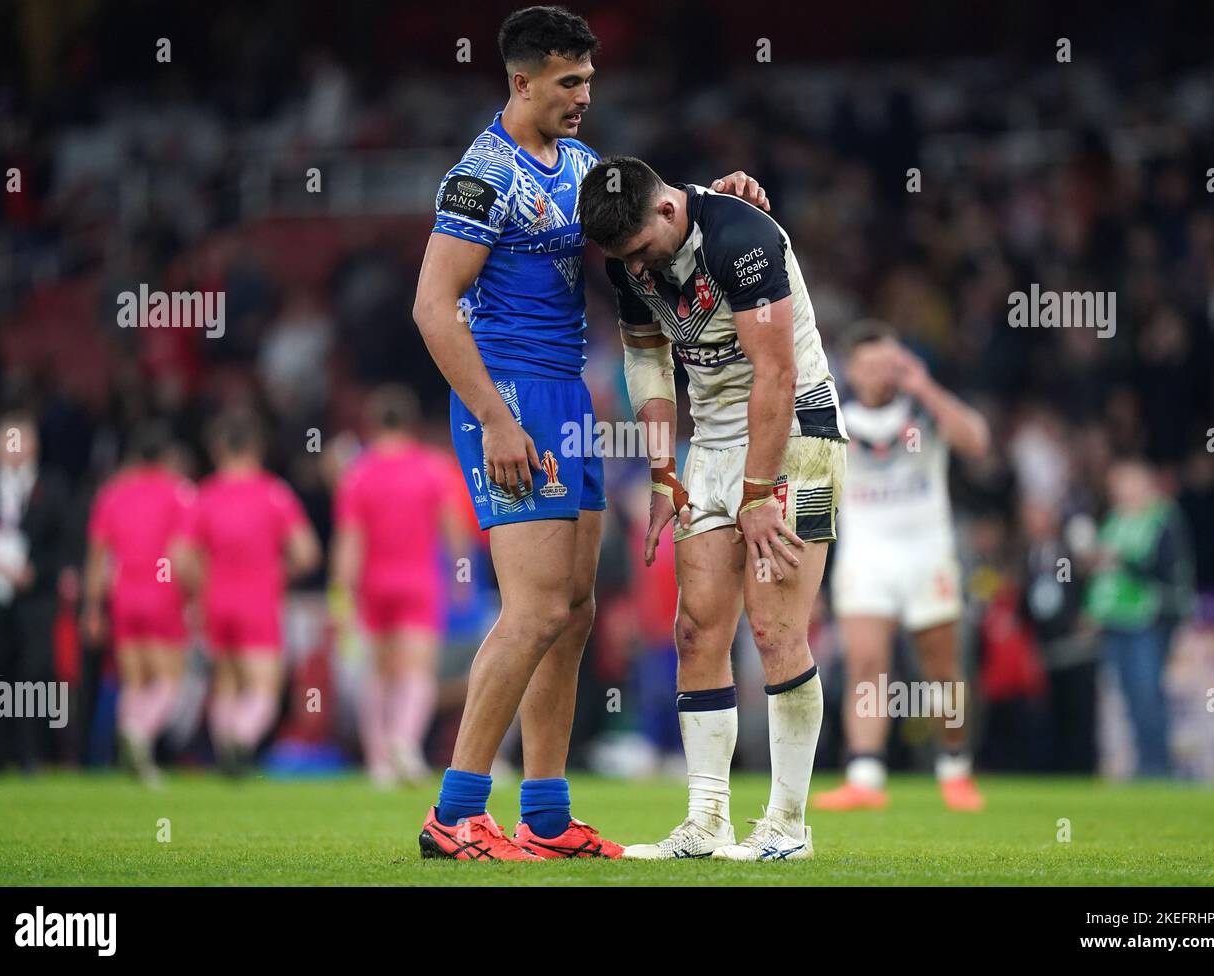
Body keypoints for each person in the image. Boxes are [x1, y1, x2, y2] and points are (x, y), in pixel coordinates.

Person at [411, 5, 767, 860]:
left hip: (569, 397)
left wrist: (719, 197)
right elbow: (431, 306)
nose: (583, 98)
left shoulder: (577, 164)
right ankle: (453, 814)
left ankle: (543, 816)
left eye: (589, 82)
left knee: (573, 611)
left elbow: (646, 215)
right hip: (510, 399)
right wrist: (496, 418)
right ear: (521, 80)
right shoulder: (479, 177)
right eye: (568, 83)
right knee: (532, 610)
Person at [580, 154, 847, 861]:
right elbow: (646, 360)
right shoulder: (629, 260)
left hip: (799, 437)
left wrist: (760, 494)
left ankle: (789, 826)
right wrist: (664, 470)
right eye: (621, 260)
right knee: (697, 630)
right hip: (714, 447)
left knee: (776, 631)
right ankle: (706, 823)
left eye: (640, 250)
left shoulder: (742, 237)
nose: (635, 270)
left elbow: (778, 372)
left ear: (667, 210)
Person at [813, 323, 991, 813]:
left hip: (927, 552)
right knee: (867, 665)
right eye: (867, 364)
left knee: (942, 670)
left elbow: (977, 442)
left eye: (887, 363)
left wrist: (925, 387)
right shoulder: (837, 419)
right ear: (852, 369)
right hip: (866, 554)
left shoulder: (924, 415)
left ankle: (955, 768)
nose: (877, 374)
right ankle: (865, 775)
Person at [331, 385, 467, 786]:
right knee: (417, 670)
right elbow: (454, 530)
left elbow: (349, 540)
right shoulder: (433, 467)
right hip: (418, 580)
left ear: (372, 423)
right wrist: (461, 576)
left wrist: (340, 595)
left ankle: (379, 763)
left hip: (373, 582)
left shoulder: (358, 472)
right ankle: (405, 742)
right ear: (411, 424)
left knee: (379, 672)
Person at [175, 410, 320, 773]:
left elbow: (180, 558)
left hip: (216, 601)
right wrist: (279, 574)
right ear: (257, 447)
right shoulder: (274, 493)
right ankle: (241, 739)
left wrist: (201, 589)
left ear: (217, 448)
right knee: (263, 686)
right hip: (259, 600)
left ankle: (227, 751)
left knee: (225, 680)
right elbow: (307, 553)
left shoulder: (203, 495)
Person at [83, 421, 194, 785]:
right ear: (166, 456)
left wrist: (93, 608)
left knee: (133, 680)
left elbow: (98, 556)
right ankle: (138, 733)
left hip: (124, 596)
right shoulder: (179, 493)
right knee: (168, 680)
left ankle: (138, 760)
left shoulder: (112, 494)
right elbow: (180, 554)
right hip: (162, 593)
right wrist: (195, 592)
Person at [0, 410, 71, 772]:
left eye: (21, 438)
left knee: (35, 674)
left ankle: (30, 754)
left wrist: (36, 572)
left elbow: (66, 545)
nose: (14, 447)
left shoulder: (54, 489)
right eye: (8, 439)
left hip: (36, 600)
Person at [1084, 457, 1194, 777]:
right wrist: (1092, 609)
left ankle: (1158, 765)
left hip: (1149, 618)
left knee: (1147, 693)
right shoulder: (1115, 520)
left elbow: (1165, 568)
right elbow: (1104, 578)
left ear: (1145, 483)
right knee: (1128, 698)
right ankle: (1142, 764)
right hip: (1115, 621)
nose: (1118, 490)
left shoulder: (1164, 518)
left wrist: (1123, 561)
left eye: (1125, 482)